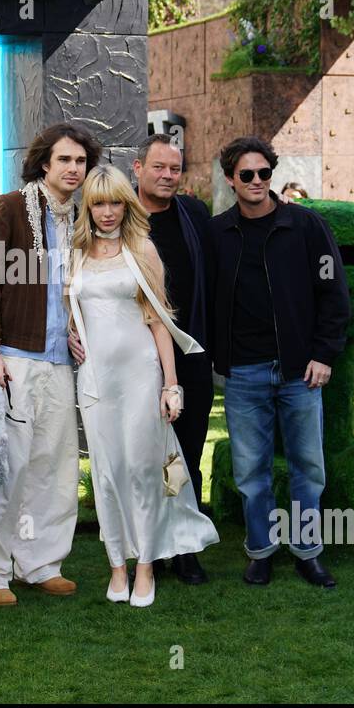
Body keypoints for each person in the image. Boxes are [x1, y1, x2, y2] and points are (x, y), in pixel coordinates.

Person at [66, 166, 219, 607]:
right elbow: (73, 312)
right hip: (95, 380)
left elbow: (158, 322)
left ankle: (147, 565)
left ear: (126, 205)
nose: (108, 212)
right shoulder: (75, 253)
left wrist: (172, 386)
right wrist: (71, 335)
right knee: (107, 475)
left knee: (142, 470)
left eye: (116, 202)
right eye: (98, 203)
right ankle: (117, 564)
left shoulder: (142, 249)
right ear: (88, 208)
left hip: (141, 375)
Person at [0, 122, 99, 606]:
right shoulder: (11, 208)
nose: (73, 168)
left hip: (62, 363)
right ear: (45, 162)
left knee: (55, 469)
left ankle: (41, 563)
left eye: (80, 161)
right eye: (64, 159)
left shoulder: (81, 216)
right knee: (8, 470)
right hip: (14, 358)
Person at [209, 135, 350, 589]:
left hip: (299, 371)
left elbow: (334, 295)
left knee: (308, 466)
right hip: (244, 371)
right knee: (251, 471)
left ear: (273, 174)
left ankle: (307, 553)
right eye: (246, 174)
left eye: (263, 173)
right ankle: (261, 551)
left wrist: (323, 354)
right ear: (231, 179)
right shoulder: (217, 234)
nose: (256, 181)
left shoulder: (307, 226)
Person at [116, 133, 214, 584]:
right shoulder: (117, 217)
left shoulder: (194, 214)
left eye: (174, 169)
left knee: (187, 453)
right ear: (137, 168)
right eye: (159, 167)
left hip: (189, 354)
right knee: (141, 455)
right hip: (135, 357)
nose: (168, 176)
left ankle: (184, 545)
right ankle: (146, 547)